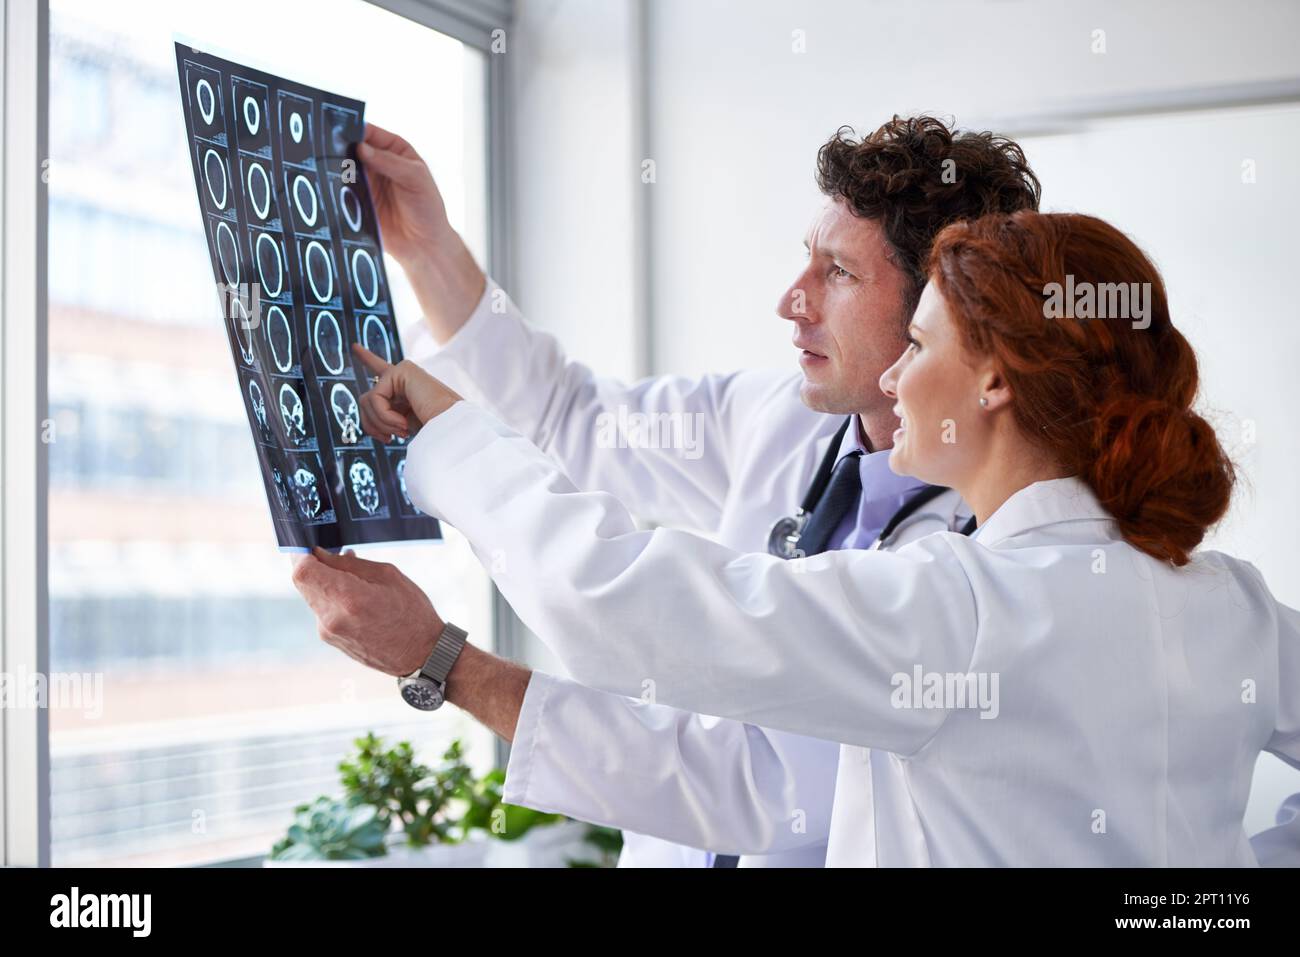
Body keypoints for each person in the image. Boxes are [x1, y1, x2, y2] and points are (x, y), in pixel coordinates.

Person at [296, 209, 1300, 866]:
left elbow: (626, 603)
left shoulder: (959, 612)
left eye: (918, 344)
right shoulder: (1234, 605)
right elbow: (583, 431)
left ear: (994, 379)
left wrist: (448, 433)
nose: (897, 379)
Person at [314, 115, 1038, 867]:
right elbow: (571, 418)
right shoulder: (779, 418)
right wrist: (425, 248)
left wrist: (442, 660)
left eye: (840, 273)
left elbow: (755, 788)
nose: (792, 301)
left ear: (940, 311)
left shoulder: (976, 554)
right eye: (806, 262)